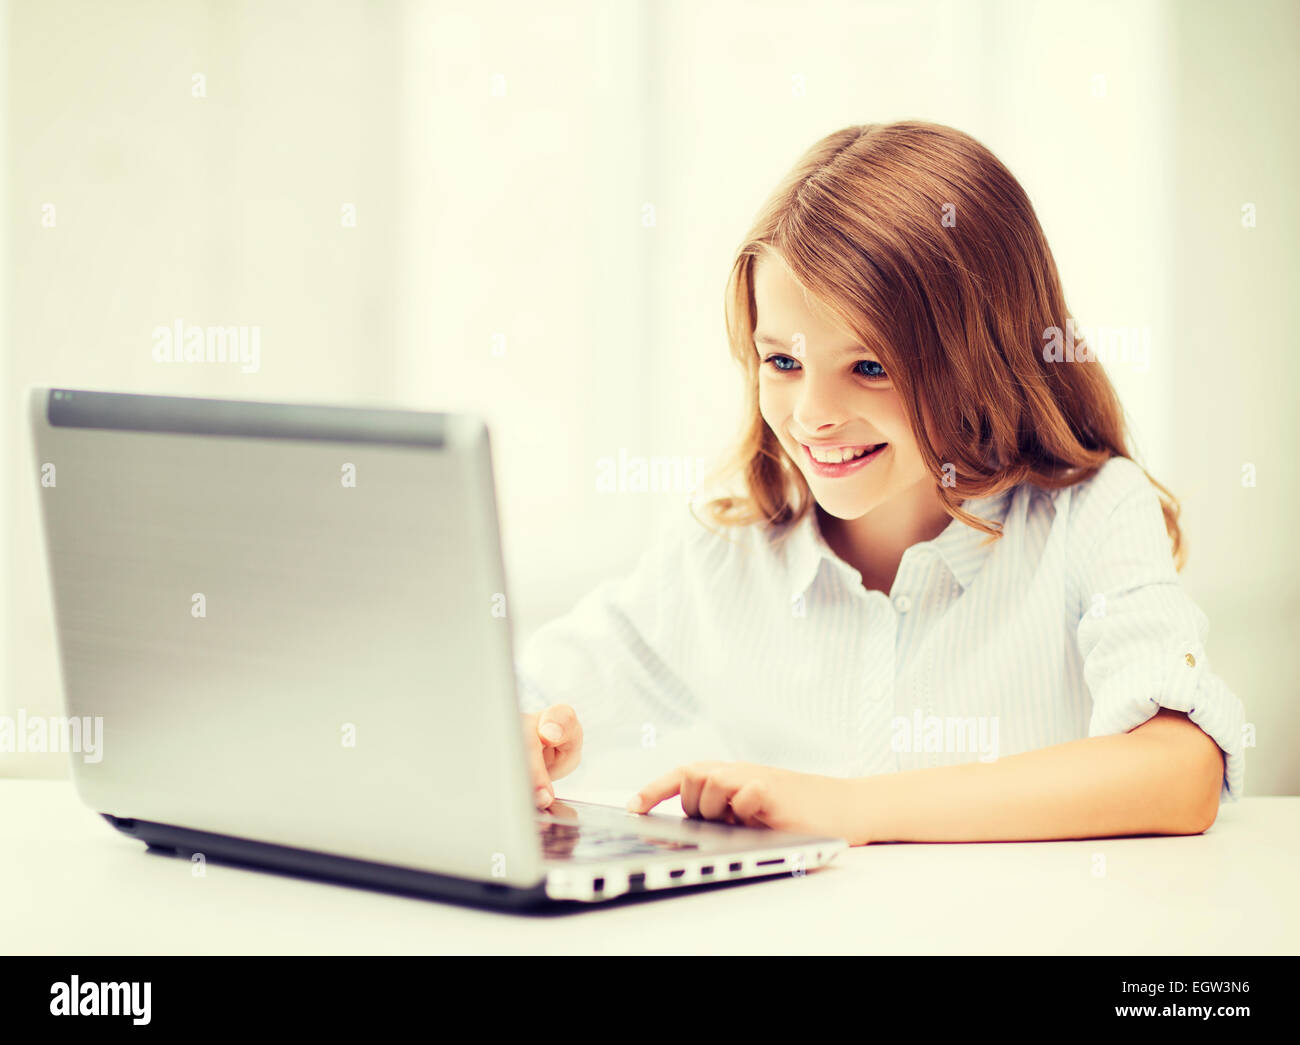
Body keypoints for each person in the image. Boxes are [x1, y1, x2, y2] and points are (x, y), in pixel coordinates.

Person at [517, 120, 1244, 846]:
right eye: (783, 362)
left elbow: (1180, 770)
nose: (813, 416)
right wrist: (528, 733)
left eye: (869, 368)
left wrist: (852, 808)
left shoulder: (1093, 517)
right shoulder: (721, 554)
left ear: (984, 359)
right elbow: (519, 692)